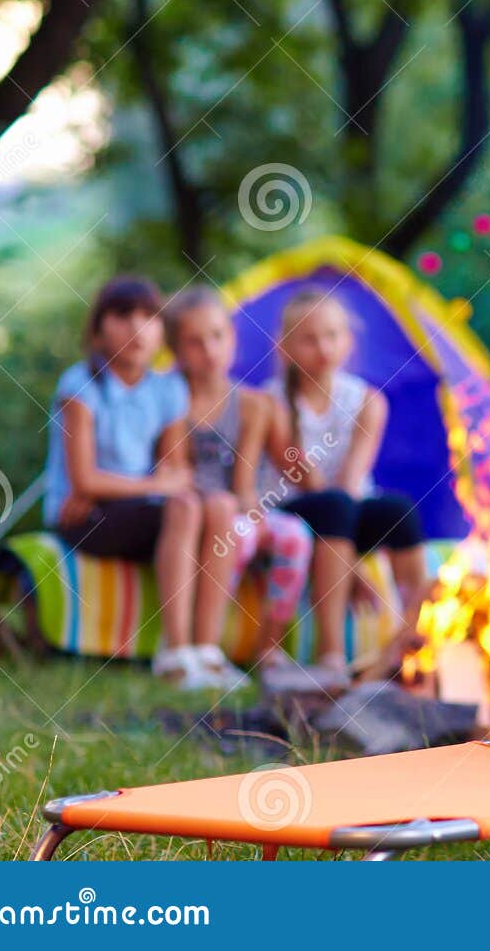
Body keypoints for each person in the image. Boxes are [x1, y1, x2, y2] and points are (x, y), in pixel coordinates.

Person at [43, 276, 235, 691]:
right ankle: (175, 656)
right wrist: (149, 486)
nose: (137, 328)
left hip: (128, 509)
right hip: (83, 516)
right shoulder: (80, 385)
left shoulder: (166, 390)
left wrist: (147, 485)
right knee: (183, 506)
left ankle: (208, 652)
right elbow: (84, 479)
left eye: (149, 317)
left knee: (217, 506)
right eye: (122, 315)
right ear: (98, 329)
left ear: (161, 332)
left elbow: (178, 472)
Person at [261, 289, 429, 685]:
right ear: (285, 347)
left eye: (332, 336)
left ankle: (413, 638)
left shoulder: (367, 400)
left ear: (348, 341)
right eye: (308, 339)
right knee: (334, 506)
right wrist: (352, 568)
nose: (323, 348)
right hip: (292, 508)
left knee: (398, 511)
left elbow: (352, 481)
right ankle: (331, 654)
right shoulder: (272, 405)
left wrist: (352, 556)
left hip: (345, 505)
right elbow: (308, 482)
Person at [164, 286, 322, 686]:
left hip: (242, 502)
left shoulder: (252, 403)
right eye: (195, 342)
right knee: (230, 532)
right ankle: (204, 645)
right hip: (201, 506)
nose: (209, 350)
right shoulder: (171, 401)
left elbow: (245, 480)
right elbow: (177, 468)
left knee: (295, 537)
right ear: (177, 350)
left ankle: (267, 648)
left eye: (217, 337)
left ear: (232, 339)